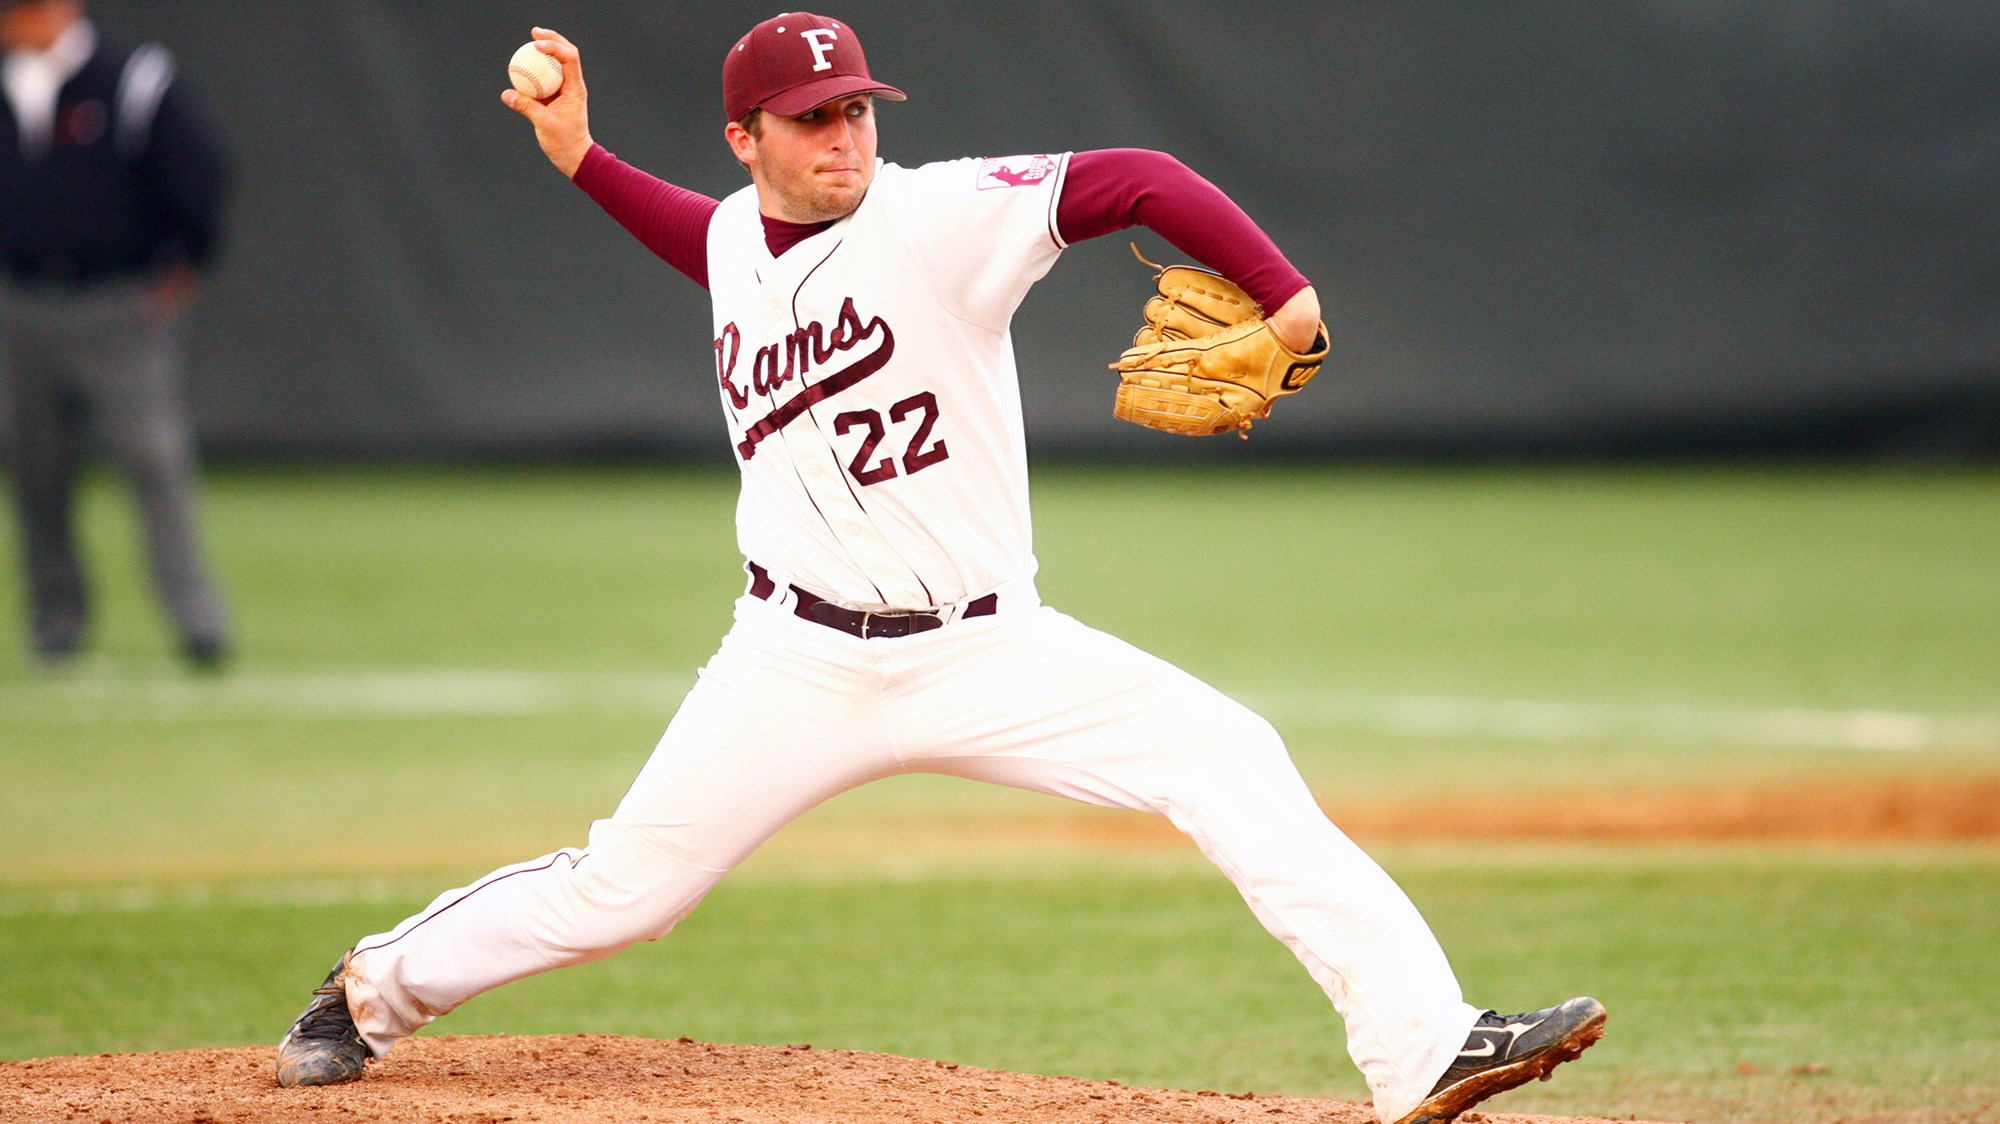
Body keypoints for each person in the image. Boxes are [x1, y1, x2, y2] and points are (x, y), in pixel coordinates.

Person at [272, 15, 1604, 1124]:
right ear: (748, 142)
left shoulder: (942, 216)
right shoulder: (741, 234)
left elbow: (1134, 174)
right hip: (794, 659)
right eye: (812, 118)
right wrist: (576, 155)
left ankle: (1423, 1047)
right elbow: (696, 236)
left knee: (1230, 753)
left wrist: (1281, 288)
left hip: (988, 650)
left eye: (855, 107)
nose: (845, 135)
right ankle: (371, 992)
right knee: (628, 894)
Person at [0, 0, 231, 669]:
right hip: (21, 302)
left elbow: (203, 175)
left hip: (114, 304)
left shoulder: (131, 78)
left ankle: (196, 618)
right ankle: (56, 620)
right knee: (36, 469)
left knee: (153, 458)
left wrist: (182, 262)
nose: (18, 23)